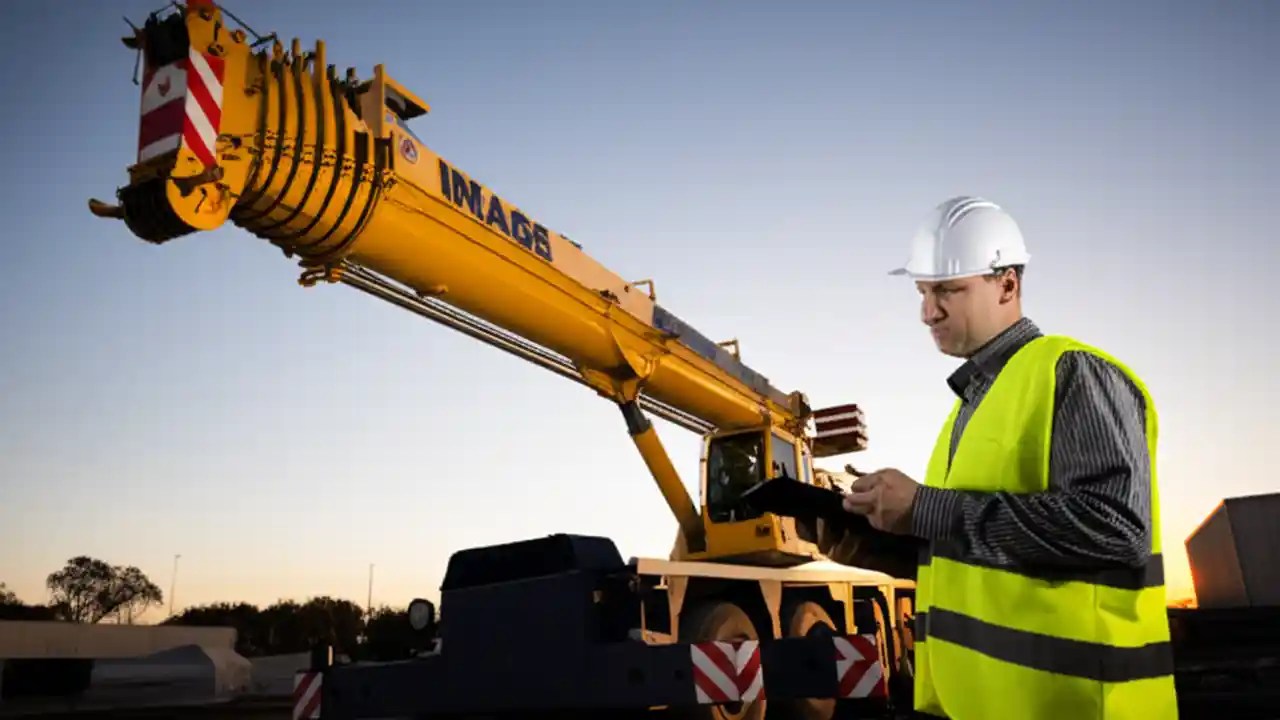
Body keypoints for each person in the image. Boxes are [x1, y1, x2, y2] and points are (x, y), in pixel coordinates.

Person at [812, 196, 1178, 719]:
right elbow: (972, 561)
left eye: (946, 290)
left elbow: (1115, 529)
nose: (926, 311)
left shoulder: (1073, 373)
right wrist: (866, 543)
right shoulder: (968, 410)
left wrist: (925, 508)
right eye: (922, 291)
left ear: (1007, 284)